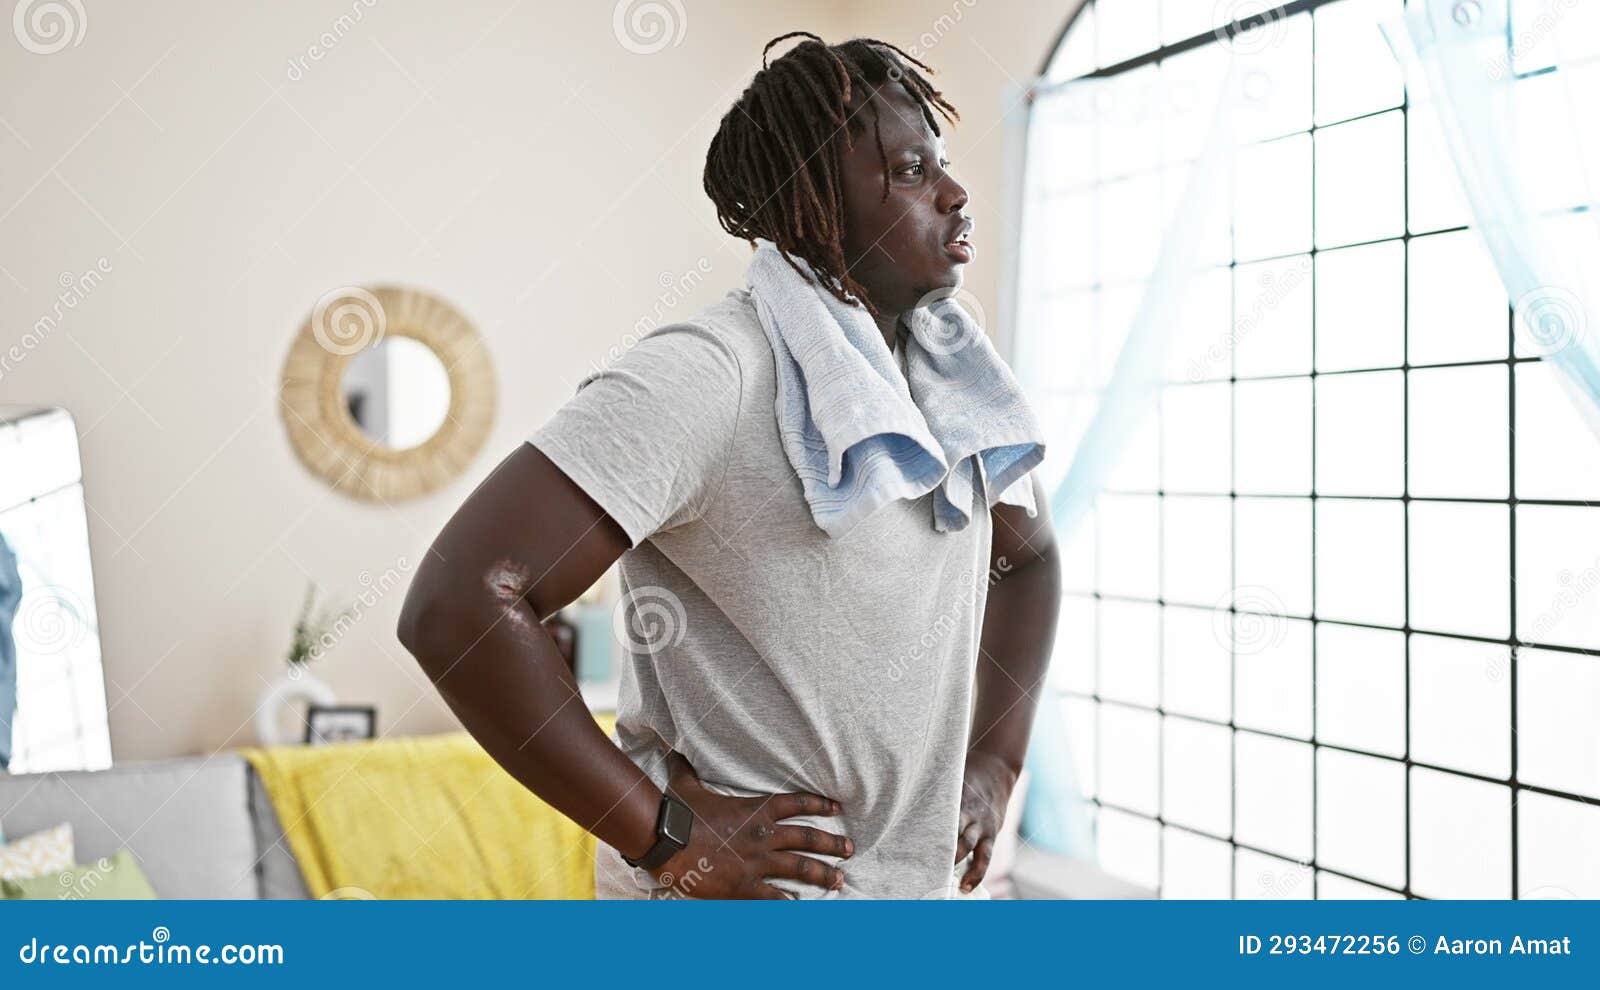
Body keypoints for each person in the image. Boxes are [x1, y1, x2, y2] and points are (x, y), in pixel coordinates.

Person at [397, 33, 1060, 899]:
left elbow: (1028, 561)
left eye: (939, 163)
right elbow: (458, 604)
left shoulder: (958, 385)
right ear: (815, 208)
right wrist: (665, 833)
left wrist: (997, 763)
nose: (954, 193)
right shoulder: (715, 373)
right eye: (908, 172)